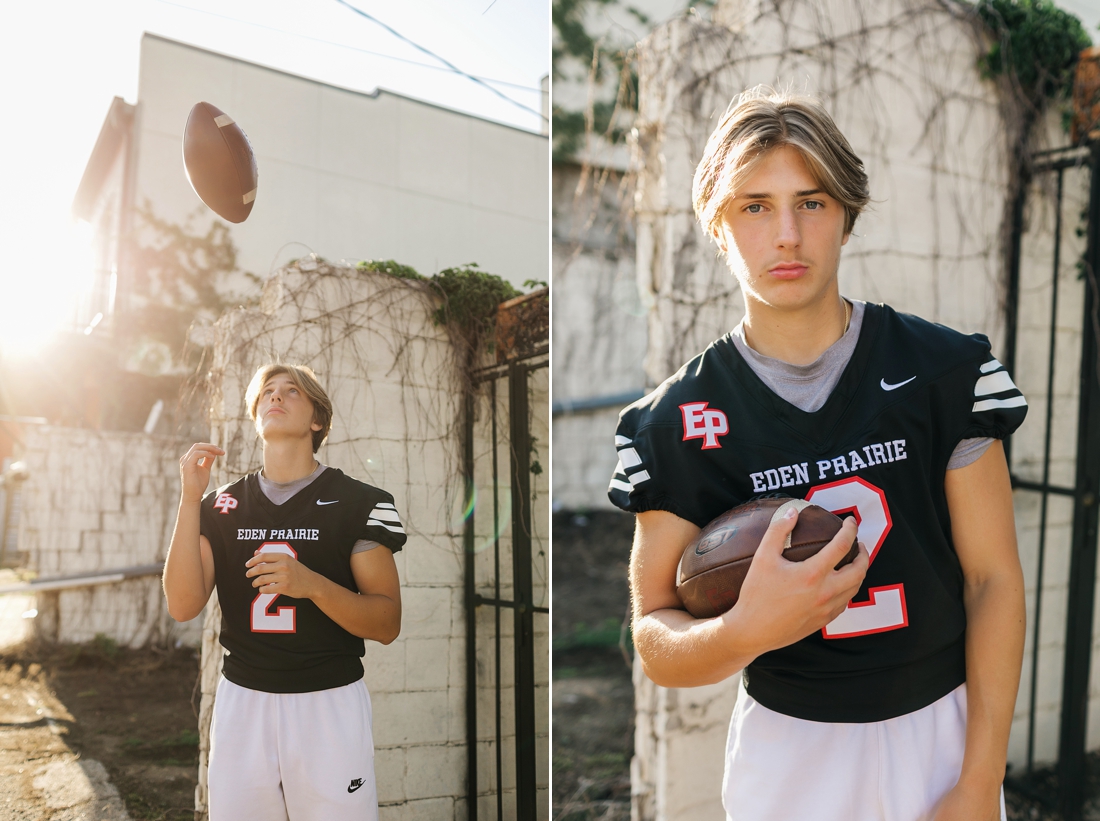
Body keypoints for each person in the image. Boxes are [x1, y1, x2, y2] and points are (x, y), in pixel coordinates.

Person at [609, 87, 1027, 821]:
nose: (788, 236)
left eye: (812, 201)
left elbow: (993, 580)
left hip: (943, 728)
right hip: (791, 745)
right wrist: (744, 630)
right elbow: (655, 636)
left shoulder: (943, 370)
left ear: (847, 213)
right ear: (716, 224)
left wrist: (978, 779)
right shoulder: (675, 419)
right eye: (755, 206)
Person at [163, 363, 404, 821]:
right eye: (267, 392)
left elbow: (387, 623)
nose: (275, 397)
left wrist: (310, 585)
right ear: (257, 417)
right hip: (242, 700)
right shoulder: (221, 505)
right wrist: (189, 500)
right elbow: (182, 604)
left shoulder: (361, 502)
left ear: (317, 420)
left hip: (328, 700)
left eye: (291, 391)